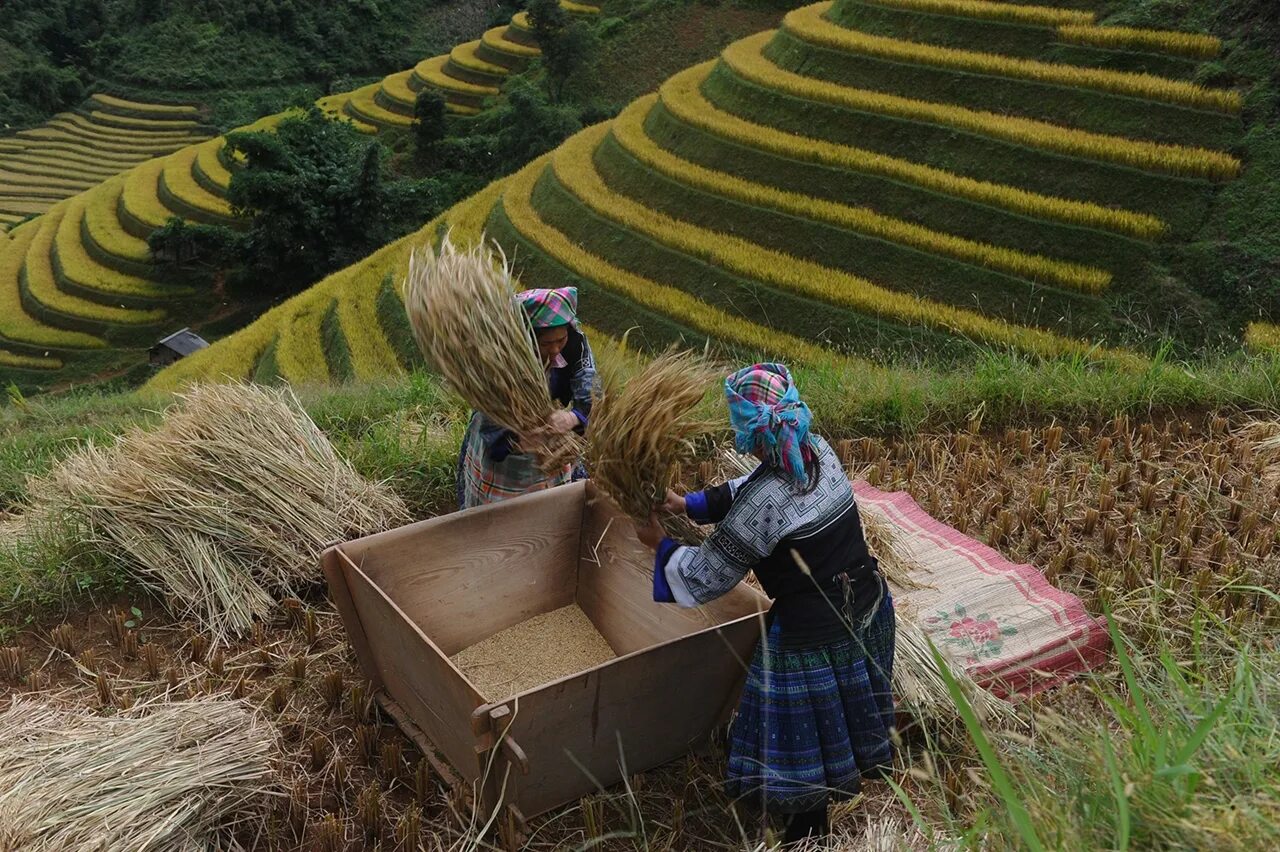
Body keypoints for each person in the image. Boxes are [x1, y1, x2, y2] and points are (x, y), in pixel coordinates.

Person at [634, 363, 896, 847]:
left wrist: (657, 544)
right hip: (868, 607)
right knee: (836, 719)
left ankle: (806, 834)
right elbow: (751, 487)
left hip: (814, 639)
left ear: (753, 433)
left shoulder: (763, 506)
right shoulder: (816, 450)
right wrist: (687, 505)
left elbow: (703, 576)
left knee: (801, 739)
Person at [456, 286, 596, 509]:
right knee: (497, 512)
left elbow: (590, 388)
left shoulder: (575, 344)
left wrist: (572, 417)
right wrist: (518, 439)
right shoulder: (501, 358)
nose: (555, 349)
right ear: (527, 337)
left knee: (550, 501)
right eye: (546, 344)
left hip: (547, 431)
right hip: (503, 431)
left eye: (560, 340)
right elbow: (491, 413)